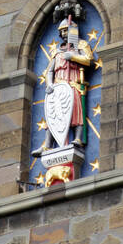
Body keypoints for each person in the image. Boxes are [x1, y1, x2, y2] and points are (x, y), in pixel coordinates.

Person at [45, 14, 94, 149]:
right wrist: (49, 84)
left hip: (73, 84)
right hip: (59, 86)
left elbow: (89, 60)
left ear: (73, 31)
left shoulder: (81, 45)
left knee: (76, 112)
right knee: (53, 114)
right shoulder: (57, 51)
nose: (64, 33)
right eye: (62, 31)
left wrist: (73, 56)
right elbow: (49, 71)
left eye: (66, 30)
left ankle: (78, 138)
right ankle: (47, 144)